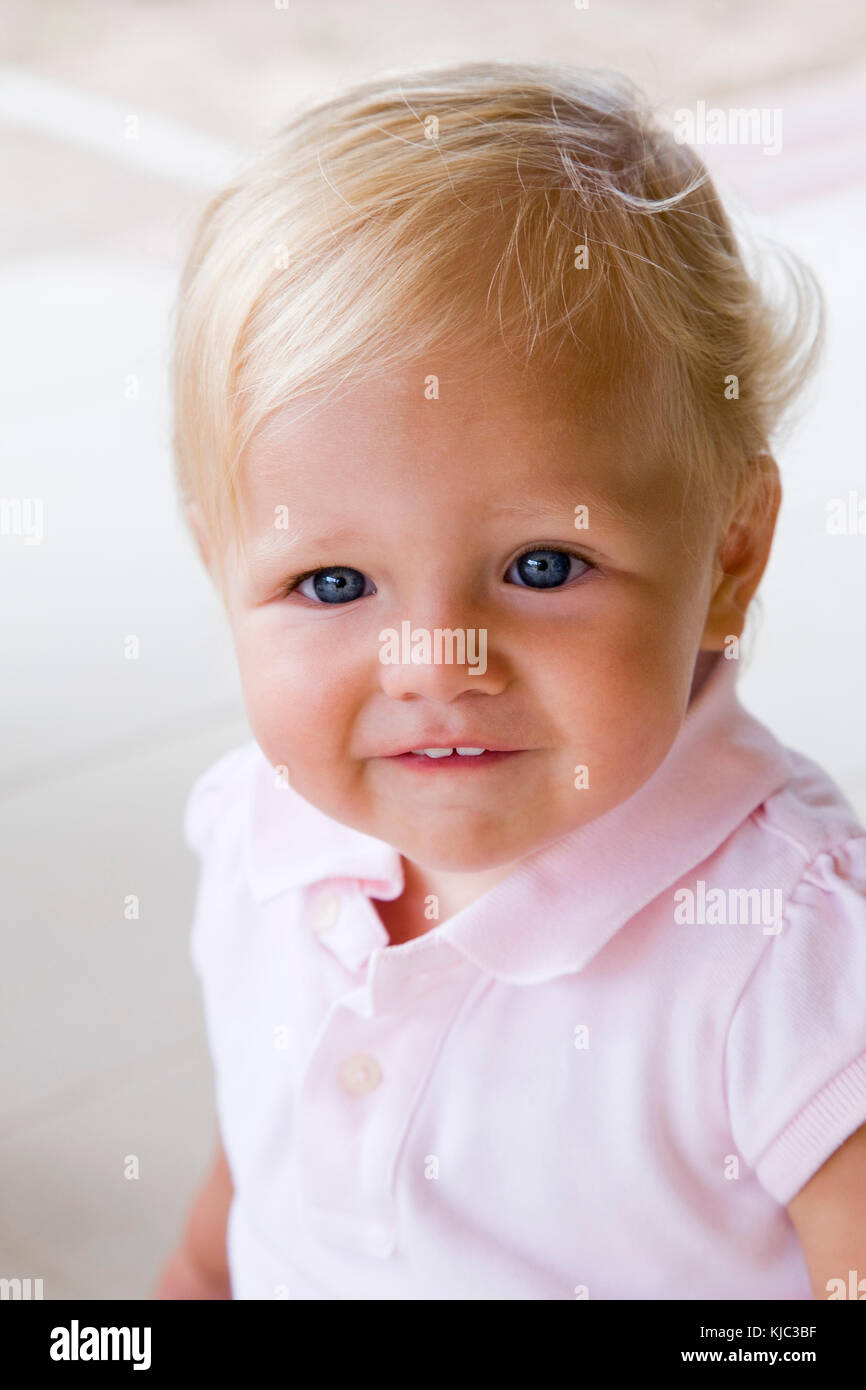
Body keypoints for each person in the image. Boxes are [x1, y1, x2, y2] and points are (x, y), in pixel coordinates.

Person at [155, 61, 866, 1300]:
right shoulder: (259, 832)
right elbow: (262, 1164)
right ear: (220, 565)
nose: (435, 663)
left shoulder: (788, 944)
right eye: (332, 585)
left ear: (728, 553)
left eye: (543, 565)